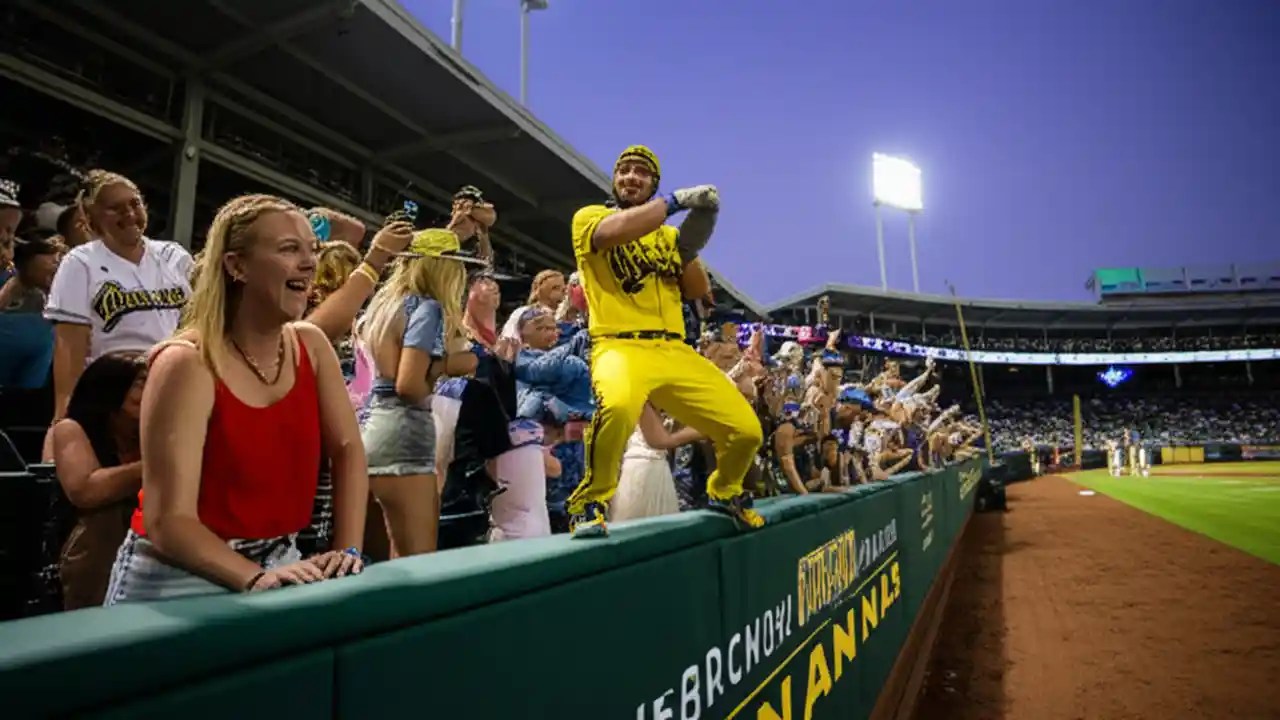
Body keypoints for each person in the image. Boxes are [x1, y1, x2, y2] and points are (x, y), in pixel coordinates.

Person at [103, 194, 366, 603]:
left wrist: (346, 550)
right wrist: (255, 577)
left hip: (281, 560)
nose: (310, 262)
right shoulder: (186, 363)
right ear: (236, 265)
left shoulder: (311, 346)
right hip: (177, 577)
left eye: (311, 250)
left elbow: (349, 448)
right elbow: (168, 520)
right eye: (288, 249)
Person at [565, 144, 764, 537]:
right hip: (619, 344)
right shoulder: (589, 217)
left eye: (642, 172)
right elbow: (613, 233)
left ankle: (725, 491)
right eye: (625, 171)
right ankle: (589, 503)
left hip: (672, 349)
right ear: (615, 179)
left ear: (652, 182)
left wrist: (689, 239)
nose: (632, 177)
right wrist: (674, 202)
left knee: (747, 432)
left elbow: (697, 288)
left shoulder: (666, 237)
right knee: (619, 407)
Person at [51, 351, 146, 610]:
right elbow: (86, 490)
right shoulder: (71, 429)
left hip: (150, 545)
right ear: (110, 387)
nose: (152, 390)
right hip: (91, 547)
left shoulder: (157, 431)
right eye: (141, 383)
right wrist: (160, 465)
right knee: (104, 520)